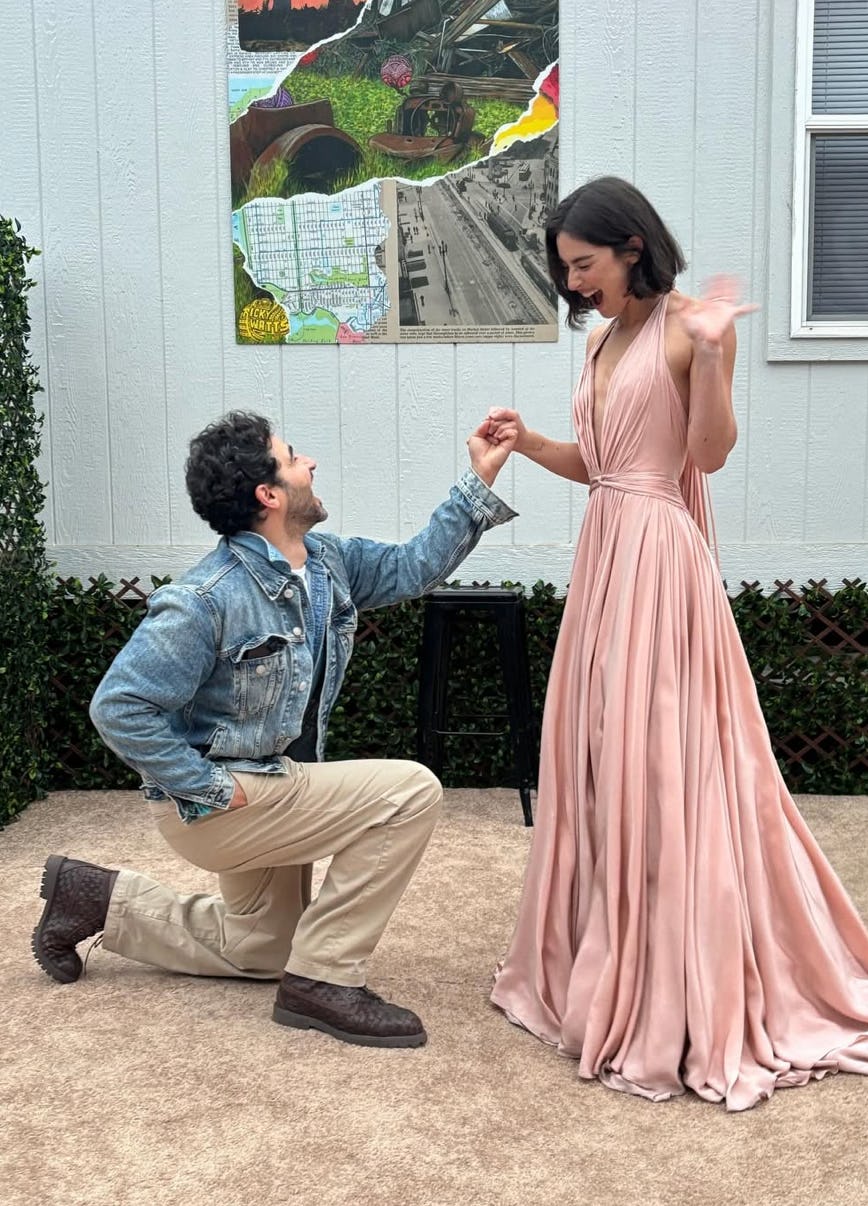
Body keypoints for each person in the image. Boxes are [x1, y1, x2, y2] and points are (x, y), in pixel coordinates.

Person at [487, 176, 868, 1110]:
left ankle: (675, 973)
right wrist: (530, 441)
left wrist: (716, 360)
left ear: (630, 246)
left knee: (667, 763)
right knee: (606, 755)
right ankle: (615, 945)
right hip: (608, 551)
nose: (574, 285)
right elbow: (607, 466)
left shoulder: (692, 323)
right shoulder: (608, 333)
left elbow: (706, 456)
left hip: (659, 560)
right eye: (567, 271)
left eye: (584, 266)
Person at [32, 410, 517, 1049]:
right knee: (410, 791)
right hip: (223, 805)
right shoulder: (207, 596)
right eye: (293, 457)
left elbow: (412, 567)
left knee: (261, 948)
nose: (309, 463)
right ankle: (326, 979)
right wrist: (204, 785)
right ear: (269, 494)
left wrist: (478, 477)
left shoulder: (325, 564)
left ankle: (93, 897)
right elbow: (119, 706)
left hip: (272, 789)